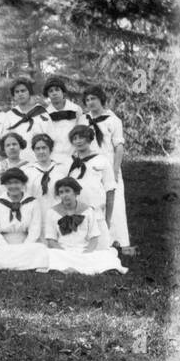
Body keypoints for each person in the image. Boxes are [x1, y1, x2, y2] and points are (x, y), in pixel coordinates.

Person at [43, 177, 126, 275]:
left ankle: (70, 268)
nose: (64, 195)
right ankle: (81, 268)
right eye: (61, 192)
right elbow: (51, 240)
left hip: (83, 250)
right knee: (48, 255)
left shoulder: (88, 211)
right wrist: (64, 252)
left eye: (67, 191)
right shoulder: (52, 212)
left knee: (107, 255)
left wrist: (86, 252)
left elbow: (94, 238)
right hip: (62, 251)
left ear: (76, 192)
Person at [83, 85, 129, 250]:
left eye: (93, 98)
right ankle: (99, 238)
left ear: (101, 99)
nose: (90, 102)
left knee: (114, 201)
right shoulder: (84, 119)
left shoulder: (113, 120)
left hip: (109, 165)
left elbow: (119, 146)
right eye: (87, 100)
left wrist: (115, 170)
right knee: (94, 199)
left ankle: (119, 240)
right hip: (89, 165)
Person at [0, 169, 49, 271]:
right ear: (5, 184)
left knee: (40, 249)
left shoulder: (33, 202)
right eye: (9, 183)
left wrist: (24, 247)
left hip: (26, 241)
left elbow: (35, 228)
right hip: (4, 242)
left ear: (23, 183)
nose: (13, 186)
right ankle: (20, 263)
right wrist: (5, 246)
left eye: (16, 182)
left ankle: (14, 263)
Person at [64, 124, 117, 246]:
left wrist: (108, 218)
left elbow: (110, 190)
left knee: (100, 253)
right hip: (74, 214)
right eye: (75, 138)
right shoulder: (69, 163)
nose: (78, 141)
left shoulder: (101, 160)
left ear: (89, 138)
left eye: (82, 137)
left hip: (96, 214)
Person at [41, 75, 83, 162]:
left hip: (74, 156)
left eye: (57, 90)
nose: (54, 93)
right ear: (48, 94)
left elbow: (82, 133)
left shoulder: (76, 109)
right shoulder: (45, 114)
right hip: (53, 157)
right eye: (51, 91)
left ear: (63, 92)